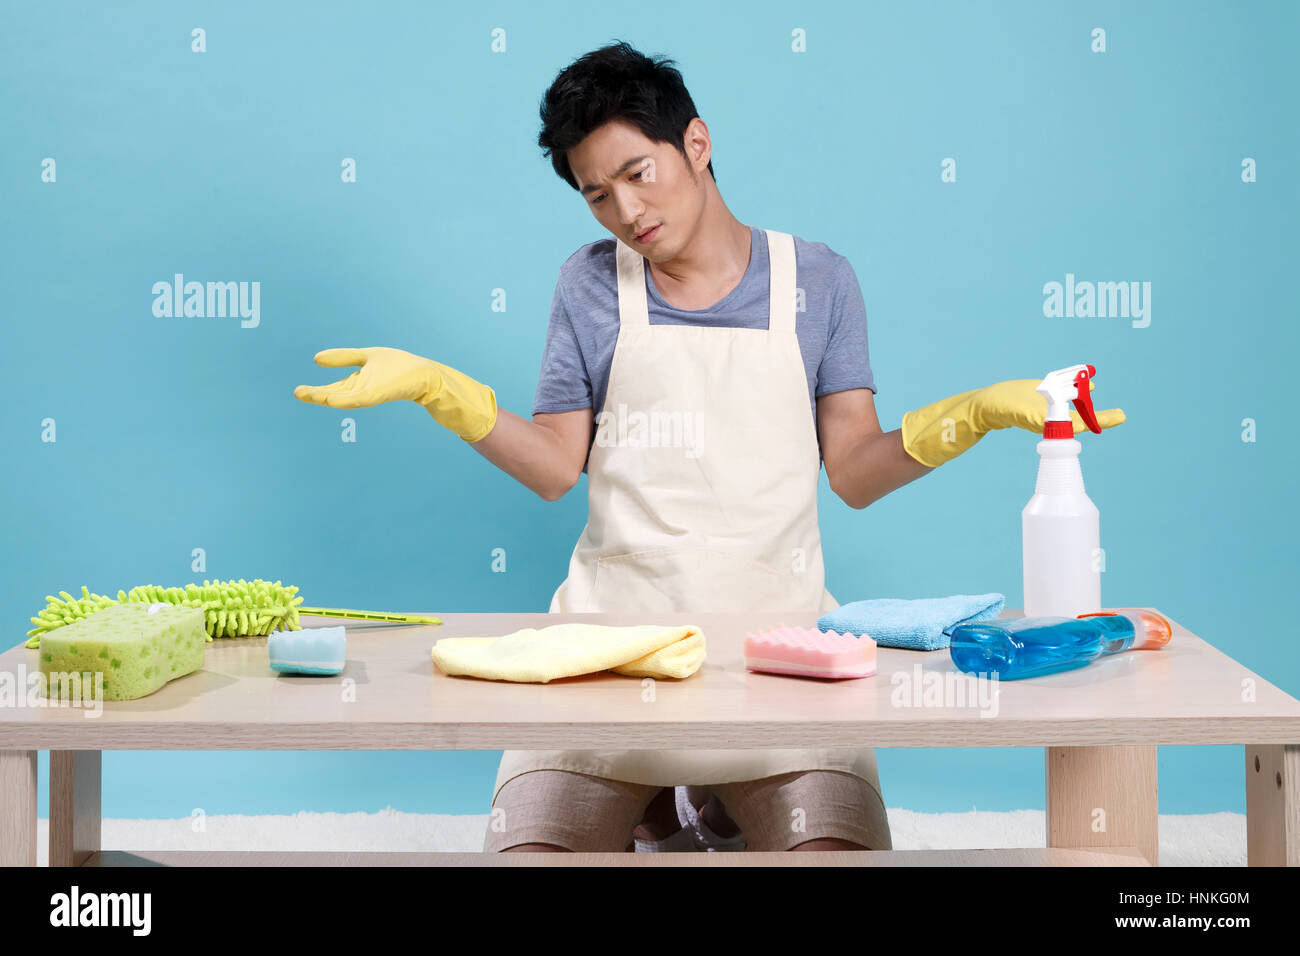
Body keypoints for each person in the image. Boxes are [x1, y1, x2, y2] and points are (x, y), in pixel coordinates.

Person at [294, 41, 1124, 853]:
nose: (625, 213)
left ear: (696, 143)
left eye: (636, 174)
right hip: (604, 656)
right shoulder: (590, 283)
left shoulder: (818, 281)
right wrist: (442, 391)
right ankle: (656, 796)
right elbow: (554, 466)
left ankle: (710, 801)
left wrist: (970, 416)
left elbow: (857, 474)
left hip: (785, 662)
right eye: (595, 195)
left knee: (833, 851)